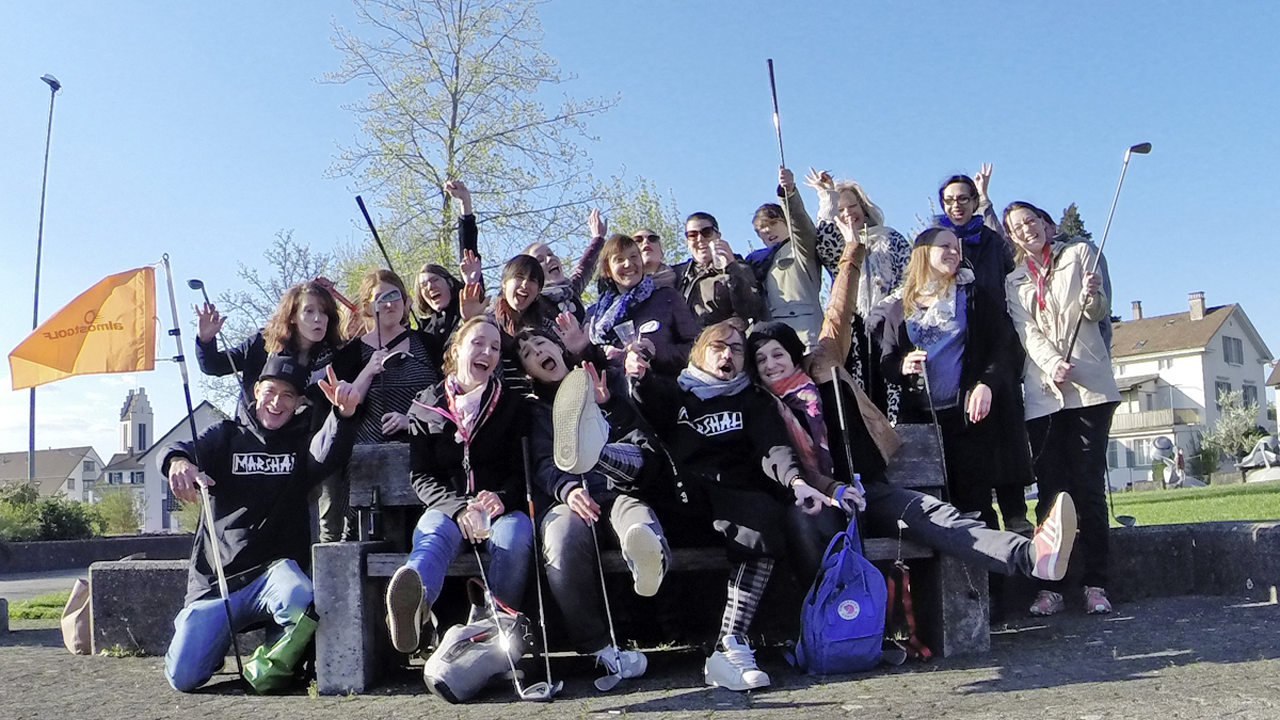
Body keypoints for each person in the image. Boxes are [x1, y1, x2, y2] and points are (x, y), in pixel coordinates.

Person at [746, 239, 1077, 621]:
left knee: (939, 516)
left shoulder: (822, 371)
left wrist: (851, 253)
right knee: (809, 524)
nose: (772, 365)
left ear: (794, 355)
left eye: (778, 354)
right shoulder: (760, 408)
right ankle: (834, 626)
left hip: (869, 489)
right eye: (761, 360)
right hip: (819, 504)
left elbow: (838, 312)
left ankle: (1033, 556)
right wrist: (832, 490)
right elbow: (781, 462)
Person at [626, 318, 828, 692]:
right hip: (683, 500)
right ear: (698, 354)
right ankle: (600, 461)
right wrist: (638, 376)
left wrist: (797, 482)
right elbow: (650, 399)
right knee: (647, 473)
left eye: (736, 349)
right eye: (718, 346)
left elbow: (774, 448)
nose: (727, 354)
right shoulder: (677, 393)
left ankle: (728, 646)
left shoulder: (752, 400)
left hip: (735, 502)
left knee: (765, 520)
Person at [161, 355, 362, 692]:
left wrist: (343, 415)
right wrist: (178, 462)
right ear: (256, 392)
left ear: (298, 403)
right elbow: (179, 448)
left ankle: (271, 661)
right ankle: (207, 643)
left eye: (287, 396)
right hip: (219, 582)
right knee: (184, 678)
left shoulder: (300, 444)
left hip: (273, 575)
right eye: (270, 392)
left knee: (301, 596)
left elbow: (328, 451)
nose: (277, 402)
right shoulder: (225, 436)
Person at [516, 333, 667, 687]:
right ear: (527, 371)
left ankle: (647, 558)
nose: (538, 351)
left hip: (619, 487)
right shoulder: (536, 411)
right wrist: (567, 490)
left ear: (559, 348)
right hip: (569, 499)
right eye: (527, 353)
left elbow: (644, 441)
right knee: (561, 536)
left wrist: (611, 403)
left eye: (542, 343)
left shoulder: (608, 380)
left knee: (636, 518)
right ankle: (598, 647)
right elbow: (541, 463)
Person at [383, 316, 534, 660]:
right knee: (432, 536)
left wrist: (502, 498)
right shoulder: (426, 404)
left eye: (495, 347)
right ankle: (414, 603)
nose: (488, 352)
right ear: (456, 350)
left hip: (501, 509)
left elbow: (522, 471)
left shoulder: (512, 404)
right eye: (478, 343)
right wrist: (457, 508)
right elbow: (421, 476)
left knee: (513, 540)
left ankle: (495, 630)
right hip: (449, 509)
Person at [868, 227, 1034, 534]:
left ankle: (991, 581)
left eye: (956, 247)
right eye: (945, 246)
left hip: (968, 421)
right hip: (922, 422)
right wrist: (903, 365)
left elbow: (1005, 348)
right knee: (935, 512)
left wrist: (986, 384)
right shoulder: (897, 307)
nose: (954, 252)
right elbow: (886, 362)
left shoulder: (973, 295)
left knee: (977, 508)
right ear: (924, 253)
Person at [1004, 201, 1121, 617]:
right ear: (1013, 237)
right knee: (1051, 493)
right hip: (1044, 393)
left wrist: (1092, 296)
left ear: (1046, 224)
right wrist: (1053, 363)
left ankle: (1096, 583)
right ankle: (1049, 586)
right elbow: (1027, 332)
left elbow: (1098, 313)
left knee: (1088, 488)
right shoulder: (1015, 280)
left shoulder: (1080, 254)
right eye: (1016, 228)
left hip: (1089, 389)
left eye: (1030, 222)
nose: (1025, 230)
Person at [804, 170, 911, 420]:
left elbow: (909, 277)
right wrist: (826, 197)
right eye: (840, 210)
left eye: (852, 206)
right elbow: (825, 243)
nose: (848, 213)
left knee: (891, 384)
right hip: (854, 325)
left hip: (889, 323)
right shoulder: (839, 246)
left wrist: (886, 307)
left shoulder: (889, 237)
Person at [195, 280, 344, 415]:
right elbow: (213, 365)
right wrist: (205, 339)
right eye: (309, 311)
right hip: (254, 437)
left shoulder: (337, 356)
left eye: (324, 312)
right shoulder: (261, 343)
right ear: (292, 316)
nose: (318, 318)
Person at [332, 269, 443, 446]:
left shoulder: (428, 344)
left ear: (405, 301)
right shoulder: (350, 354)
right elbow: (345, 411)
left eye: (394, 296)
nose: (389, 305)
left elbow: (448, 398)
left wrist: (413, 423)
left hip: (427, 454)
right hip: (371, 460)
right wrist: (368, 371)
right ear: (367, 307)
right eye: (381, 299)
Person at [585, 234, 700, 377]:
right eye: (619, 259)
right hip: (614, 395)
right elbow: (585, 367)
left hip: (662, 391)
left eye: (634, 257)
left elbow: (697, 349)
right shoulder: (594, 316)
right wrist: (585, 351)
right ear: (608, 270)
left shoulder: (667, 298)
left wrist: (655, 352)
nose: (628, 264)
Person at [745, 167, 822, 350]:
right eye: (761, 229)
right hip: (770, 344)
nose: (767, 231)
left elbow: (801, 225)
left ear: (786, 222)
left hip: (805, 339)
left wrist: (788, 194)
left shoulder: (800, 249)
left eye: (773, 223)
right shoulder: (754, 262)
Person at [671, 212, 767, 327]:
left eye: (707, 232)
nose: (700, 239)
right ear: (687, 242)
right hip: (686, 342)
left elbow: (751, 309)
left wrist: (731, 267)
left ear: (718, 236)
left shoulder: (739, 268)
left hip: (720, 341)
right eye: (692, 235)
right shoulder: (677, 274)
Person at [524, 208, 607, 323]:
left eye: (550, 254)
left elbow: (584, 268)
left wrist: (598, 238)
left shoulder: (570, 291)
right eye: (540, 260)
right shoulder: (535, 304)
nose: (549, 259)